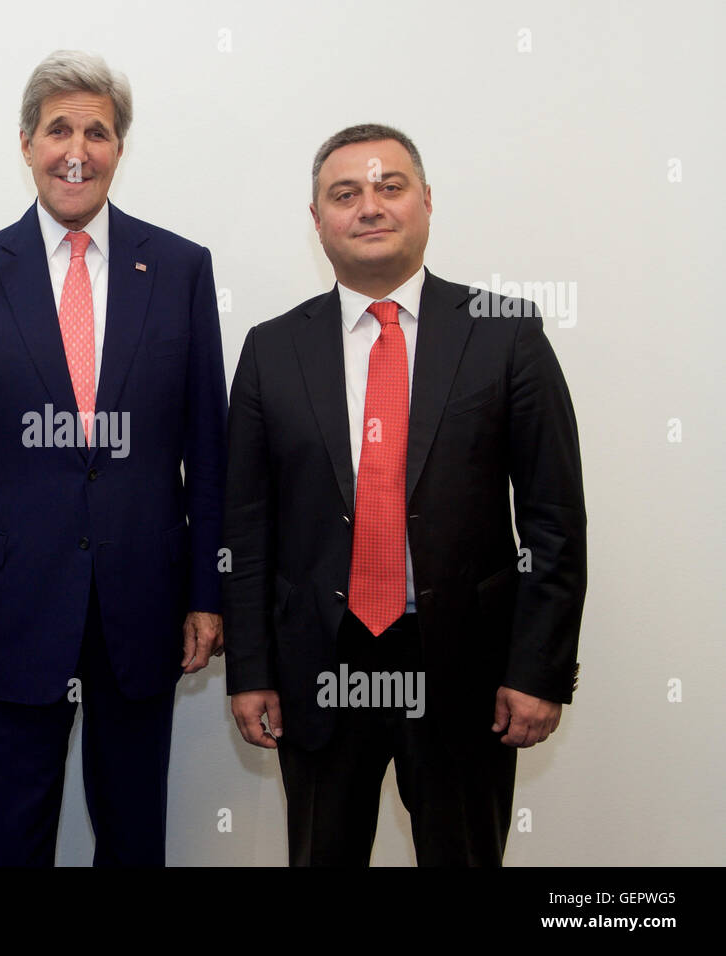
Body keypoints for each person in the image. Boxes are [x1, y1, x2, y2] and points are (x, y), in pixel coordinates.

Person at [223, 123, 586, 865]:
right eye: (345, 193)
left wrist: (537, 669)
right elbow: (246, 527)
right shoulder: (271, 348)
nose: (370, 206)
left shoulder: (504, 334)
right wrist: (252, 670)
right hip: (321, 663)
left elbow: (554, 520)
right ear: (318, 219)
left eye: (390, 187)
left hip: (464, 667)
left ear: (425, 202)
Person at [0, 51, 228, 866]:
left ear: (120, 148)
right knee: (11, 843)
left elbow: (209, 451)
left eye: (97, 131)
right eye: (58, 129)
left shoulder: (182, 270)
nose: (76, 148)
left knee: (133, 841)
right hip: (10, 608)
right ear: (26, 143)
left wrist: (207, 591)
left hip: (144, 607)